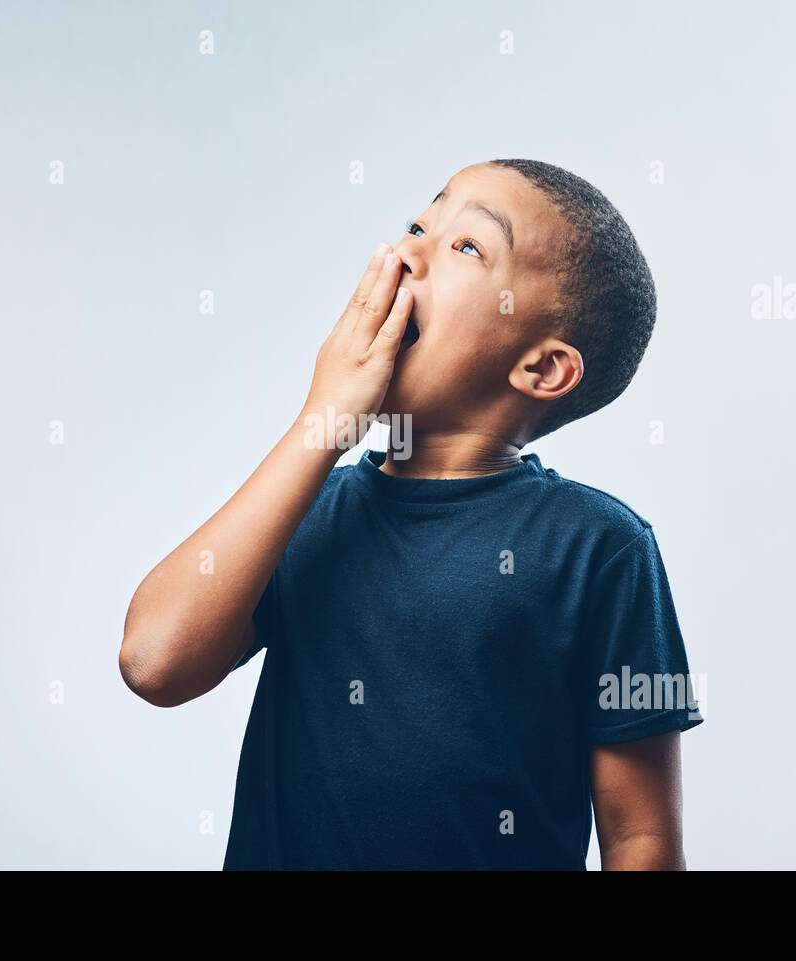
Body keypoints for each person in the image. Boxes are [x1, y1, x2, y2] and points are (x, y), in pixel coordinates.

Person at [120, 159, 704, 870]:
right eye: (418, 226)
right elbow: (154, 662)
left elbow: (641, 837)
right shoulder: (308, 509)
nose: (403, 252)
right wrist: (322, 422)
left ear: (542, 368)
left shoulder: (603, 548)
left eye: (467, 246)